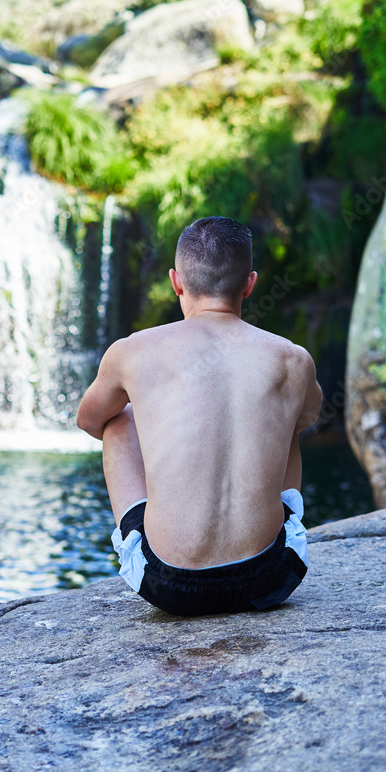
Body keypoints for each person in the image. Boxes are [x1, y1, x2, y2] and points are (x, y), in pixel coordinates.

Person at [76, 216, 323, 617]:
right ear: (249, 283)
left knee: (118, 419)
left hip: (167, 586)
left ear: (177, 282)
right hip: (271, 578)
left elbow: (89, 421)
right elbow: (310, 415)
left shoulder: (133, 351)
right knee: (288, 417)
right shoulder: (291, 357)